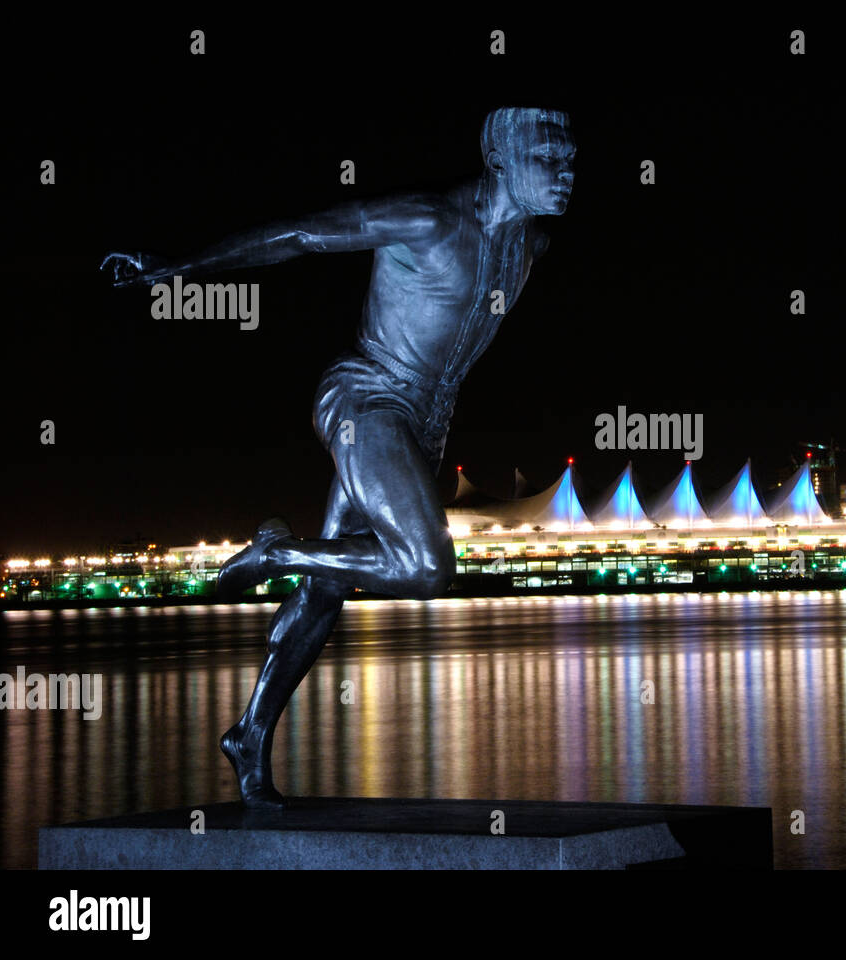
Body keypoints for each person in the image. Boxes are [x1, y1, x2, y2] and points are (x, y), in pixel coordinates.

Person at [102, 108, 576, 806]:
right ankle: (275, 553)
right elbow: (298, 236)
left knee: (328, 593)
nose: (566, 173)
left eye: (571, 159)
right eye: (548, 158)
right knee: (425, 566)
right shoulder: (427, 219)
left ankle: (249, 733)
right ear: (499, 158)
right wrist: (178, 268)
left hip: (424, 429)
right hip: (365, 402)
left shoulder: (528, 245)